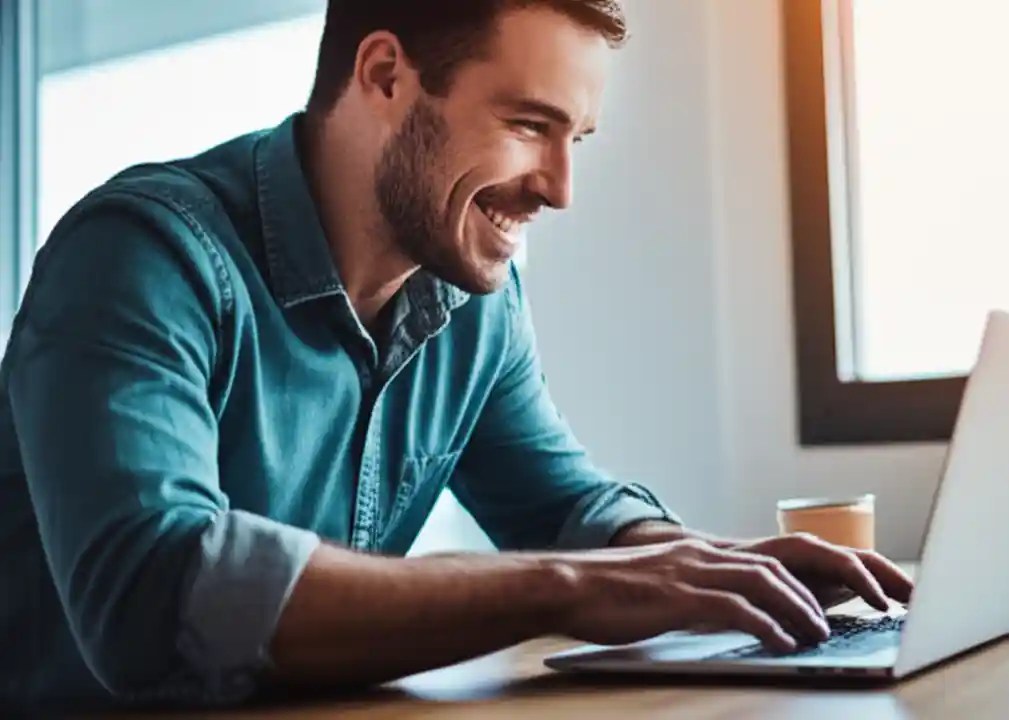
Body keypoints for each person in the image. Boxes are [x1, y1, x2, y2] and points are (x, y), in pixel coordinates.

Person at [0, 0, 912, 709]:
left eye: (576, 139)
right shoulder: (141, 254)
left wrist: (705, 568)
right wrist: (566, 588)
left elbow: (560, 505)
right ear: (385, 74)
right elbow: (155, 593)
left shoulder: (471, 295)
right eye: (529, 125)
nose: (560, 189)